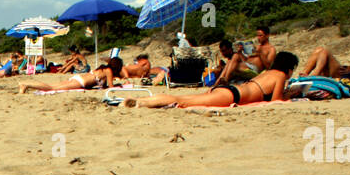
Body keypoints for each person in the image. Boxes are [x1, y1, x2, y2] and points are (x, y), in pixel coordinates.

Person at [127, 51, 298, 108]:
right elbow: (276, 100)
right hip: (232, 96)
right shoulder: (281, 75)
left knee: (185, 99)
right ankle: (141, 102)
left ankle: (140, 101)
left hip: (230, 90)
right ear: (289, 68)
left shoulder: (267, 73)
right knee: (183, 101)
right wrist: (290, 95)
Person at [19, 56, 125, 93]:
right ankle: (27, 84)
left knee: (53, 86)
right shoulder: (109, 71)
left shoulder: (103, 68)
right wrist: (120, 85)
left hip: (78, 78)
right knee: (51, 88)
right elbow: (111, 87)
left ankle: (25, 86)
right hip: (81, 82)